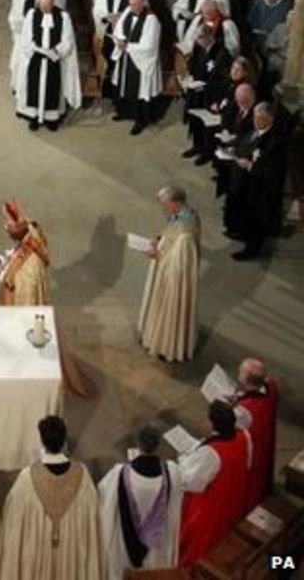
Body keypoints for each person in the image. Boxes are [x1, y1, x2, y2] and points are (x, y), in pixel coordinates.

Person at [0, 415, 103, 579]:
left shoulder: (26, 479)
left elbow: (13, 532)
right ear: (64, 440)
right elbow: (93, 531)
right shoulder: (83, 478)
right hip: (72, 558)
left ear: (42, 441)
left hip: (35, 561)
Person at [98, 424, 183, 578]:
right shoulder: (172, 473)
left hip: (124, 544)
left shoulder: (120, 474)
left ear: (138, 445)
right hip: (156, 545)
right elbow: (175, 506)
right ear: (158, 446)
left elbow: (103, 492)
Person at [178, 400, 251, 566]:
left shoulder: (211, 453)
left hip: (212, 504)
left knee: (200, 540)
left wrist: (182, 461)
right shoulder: (243, 436)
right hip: (233, 494)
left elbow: (191, 482)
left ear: (212, 423)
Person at [138, 184, 200, 362]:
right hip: (169, 270)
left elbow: (179, 262)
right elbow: (170, 231)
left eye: (165, 204)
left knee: (172, 311)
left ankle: (168, 346)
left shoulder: (186, 233)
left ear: (175, 203)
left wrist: (157, 254)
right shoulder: (182, 214)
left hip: (175, 281)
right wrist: (158, 239)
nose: (163, 208)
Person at [224, 102, 288, 260]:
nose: (256, 122)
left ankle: (252, 249)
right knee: (242, 212)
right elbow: (245, 143)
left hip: (260, 189)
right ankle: (240, 232)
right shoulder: (255, 130)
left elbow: (273, 171)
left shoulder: (275, 141)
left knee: (255, 219)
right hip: (244, 183)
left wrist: (250, 165)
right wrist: (235, 149)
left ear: (270, 119)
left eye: (260, 119)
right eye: (255, 117)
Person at [13, 0, 81, 131]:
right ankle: (34, 117)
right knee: (34, 87)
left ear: (53, 3)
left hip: (54, 60)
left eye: (46, 6)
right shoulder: (32, 15)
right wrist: (34, 49)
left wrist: (55, 51)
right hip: (35, 59)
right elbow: (25, 38)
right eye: (41, 6)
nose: (43, 9)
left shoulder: (63, 17)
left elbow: (67, 40)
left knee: (52, 88)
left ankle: (51, 119)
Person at [110, 0, 162, 135]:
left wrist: (128, 46)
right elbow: (119, 30)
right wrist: (119, 40)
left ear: (143, 3)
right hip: (126, 57)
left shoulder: (151, 20)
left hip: (141, 61)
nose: (131, 7)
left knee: (139, 89)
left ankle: (141, 120)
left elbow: (150, 45)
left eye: (135, 5)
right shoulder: (128, 12)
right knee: (123, 84)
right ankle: (125, 112)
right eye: (130, 4)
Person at [232, 357, 279, 509]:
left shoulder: (244, 411)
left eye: (241, 371)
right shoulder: (271, 385)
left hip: (253, 448)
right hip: (266, 437)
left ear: (247, 380)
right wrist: (239, 398)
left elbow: (235, 430)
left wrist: (230, 407)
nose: (238, 372)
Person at [0, 199, 50, 305]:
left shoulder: (32, 244)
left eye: (10, 228)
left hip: (28, 276)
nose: (7, 231)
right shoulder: (24, 243)